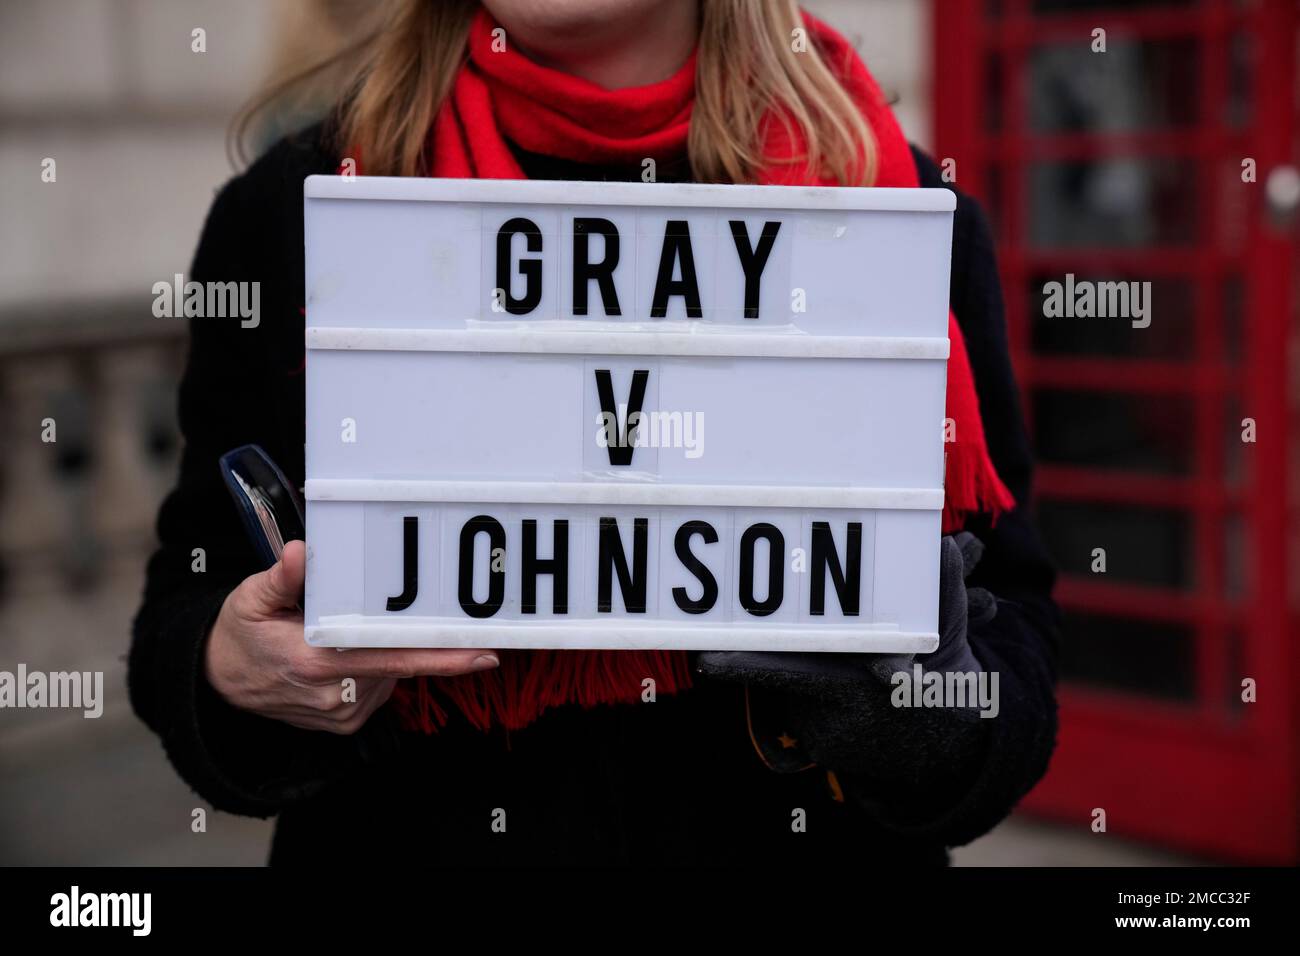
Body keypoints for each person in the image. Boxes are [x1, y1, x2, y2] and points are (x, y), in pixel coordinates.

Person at [129, 0, 1059, 866]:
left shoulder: (892, 209)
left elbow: (1014, 650)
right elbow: (190, 595)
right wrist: (234, 666)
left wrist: (919, 707)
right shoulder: (290, 208)